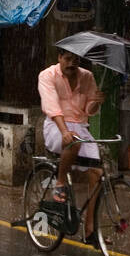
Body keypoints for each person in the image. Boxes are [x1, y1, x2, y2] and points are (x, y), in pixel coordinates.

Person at [38, 48, 105, 244]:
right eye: (67, 58)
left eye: (75, 59)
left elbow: (89, 110)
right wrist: (65, 131)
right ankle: (60, 183)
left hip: (81, 127)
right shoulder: (47, 75)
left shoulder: (88, 77)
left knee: (97, 172)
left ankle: (90, 229)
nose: (71, 63)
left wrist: (97, 102)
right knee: (73, 139)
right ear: (59, 58)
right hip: (55, 125)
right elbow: (52, 107)